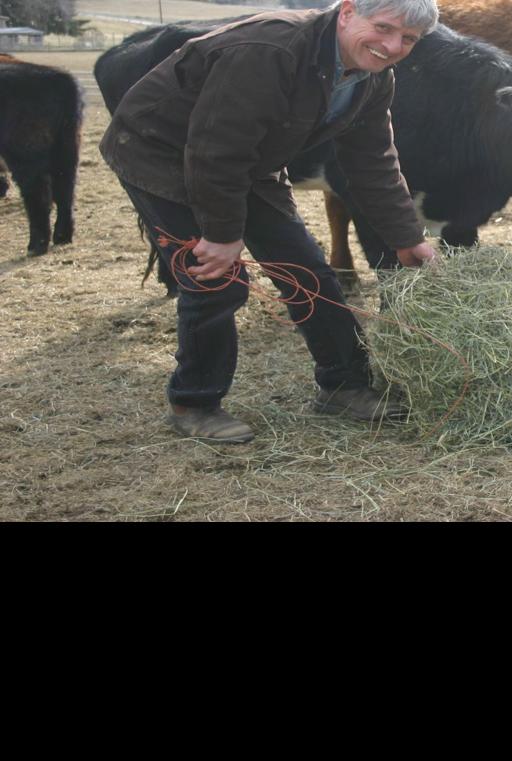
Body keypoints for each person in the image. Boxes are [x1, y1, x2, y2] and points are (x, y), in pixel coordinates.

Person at [101, 0, 440, 444]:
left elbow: (372, 158)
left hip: (249, 159)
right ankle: (194, 402)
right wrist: (223, 235)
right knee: (216, 279)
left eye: (408, 40)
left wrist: (406, 237)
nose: (392, 46)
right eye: (383, 27)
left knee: (308, 271)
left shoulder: (371, 76)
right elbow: (215, 148)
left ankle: (343, 386)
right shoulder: (270, 50)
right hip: (161, 151)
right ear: (347, 12)